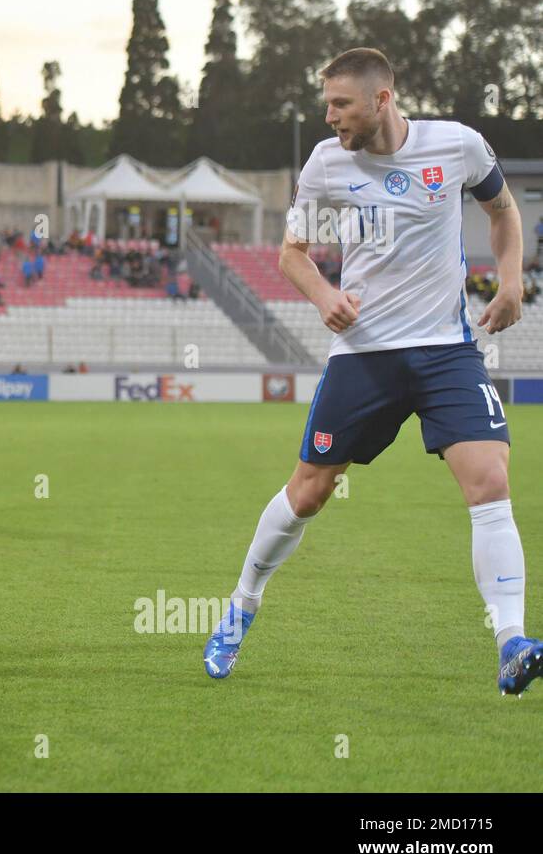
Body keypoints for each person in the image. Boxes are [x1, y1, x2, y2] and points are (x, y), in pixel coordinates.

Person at [202, 48, 541, 696]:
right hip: (366, 353)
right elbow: (291, 253)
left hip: (447, 349)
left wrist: (510, 280)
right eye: (327, 104)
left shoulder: (458, 146)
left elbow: (504, 212)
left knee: (491, 480)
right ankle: (243, 604)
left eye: (341, 104)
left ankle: (511, 642)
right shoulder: (327, 163)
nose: (331, 117)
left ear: (381, 99)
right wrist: (326, 296)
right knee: (310, 492)